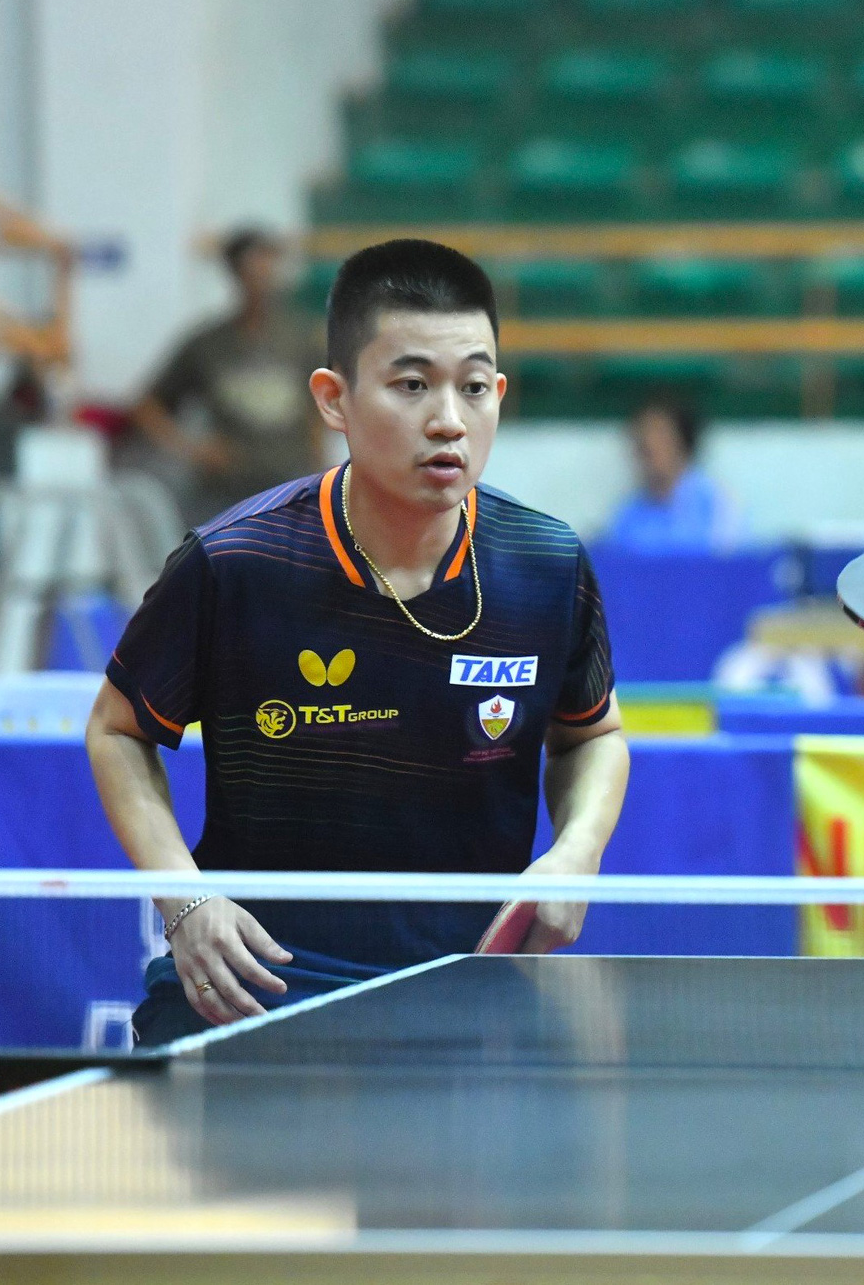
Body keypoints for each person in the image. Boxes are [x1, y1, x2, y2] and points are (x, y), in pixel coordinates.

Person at [86, 238, 630, 1044]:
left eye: (472, 387)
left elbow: (594, 736)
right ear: (334, 400)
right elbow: (117, 729)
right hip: (261, 987)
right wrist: (185, 898)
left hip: (469, 989)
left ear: (498, 395)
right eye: (411, 385)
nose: (448, 420)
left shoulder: (546, 564)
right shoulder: (236, 562)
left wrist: (576, 851)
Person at [129, 228, 327, 525]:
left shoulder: (303, 338)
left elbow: (321, 409)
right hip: (227, 490)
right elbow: (146, 407)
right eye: (253, 271)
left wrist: (320, 467)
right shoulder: (208, 343)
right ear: (235, 275)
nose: (263, 281)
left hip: (291, 483)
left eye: (268, 270)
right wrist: (192, 450)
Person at [601, 399, 744, 552]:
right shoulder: (629, 511)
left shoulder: (718, 503)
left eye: (660, 436)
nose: (650, 444)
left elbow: (730, 560)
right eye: (642, 439)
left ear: (683, 441)